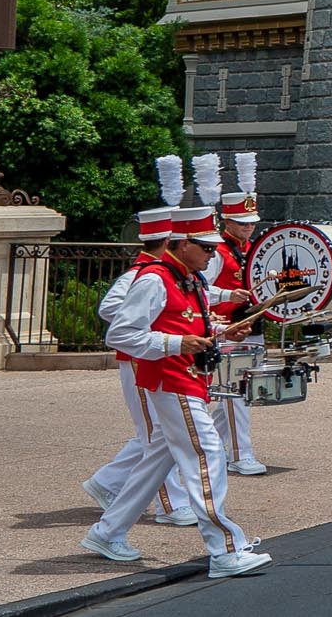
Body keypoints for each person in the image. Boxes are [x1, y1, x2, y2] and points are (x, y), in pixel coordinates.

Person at [82, 203, 270, 578]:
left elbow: (190, 326)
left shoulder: (190, 278)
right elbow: (119, 334)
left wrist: (222, 332)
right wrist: (175, 345)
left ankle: (108, 531)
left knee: (160, 456)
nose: (213, 254)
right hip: (171, 378)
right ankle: (225, 548)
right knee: (207, 453)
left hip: (187, 377)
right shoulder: (153, 278)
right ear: (182, 243)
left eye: (215, 248)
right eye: (206, 247)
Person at [82, 202, 198, 530]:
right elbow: (111, 310)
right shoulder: (142, 274)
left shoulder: (163, 274)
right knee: (155, 433)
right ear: (167, 243)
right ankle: (169, 503)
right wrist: (150, 329)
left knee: (158, 432)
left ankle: (108, 483)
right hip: (141, 359)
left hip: (155, 357)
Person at [210, 178, 269, 475]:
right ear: (227, 221)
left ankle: (212, 446)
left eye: (251, 222)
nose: (249, 227)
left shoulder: (254, 249)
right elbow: (199, 290)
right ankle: (239, 454)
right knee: (234, 394)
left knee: (237, 395)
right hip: (227, 328)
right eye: (242, 222)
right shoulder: (216, 252)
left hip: (251, 325)